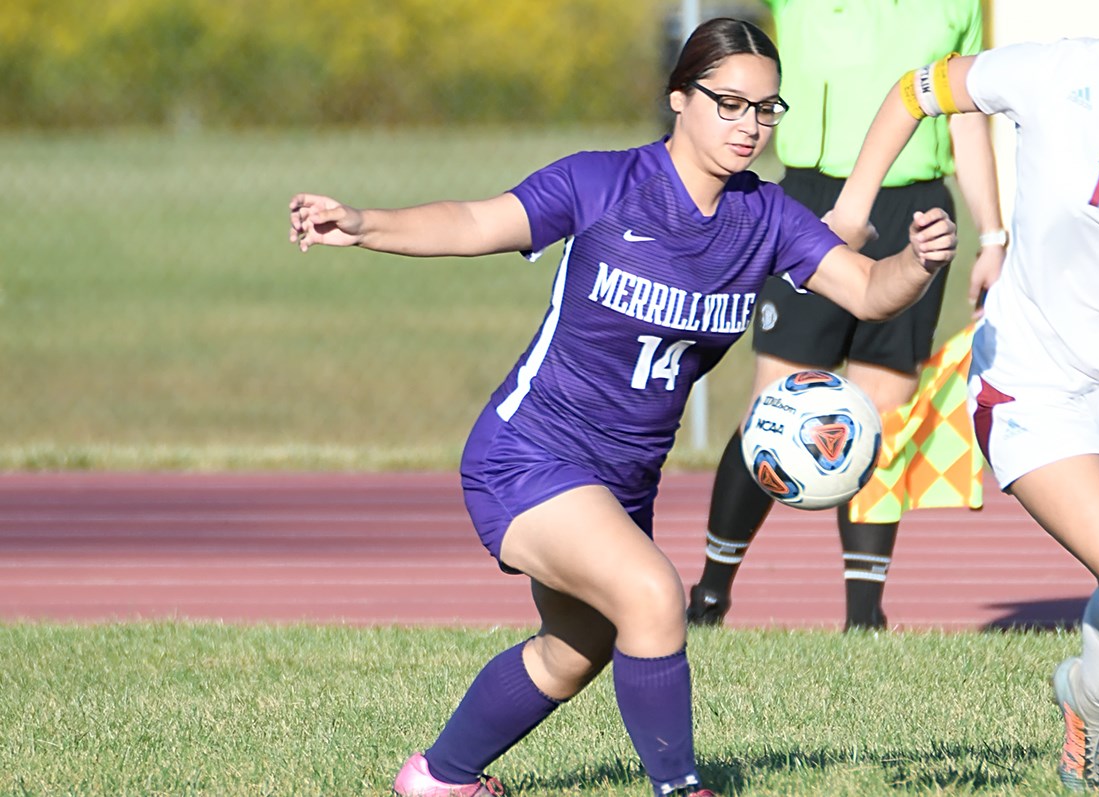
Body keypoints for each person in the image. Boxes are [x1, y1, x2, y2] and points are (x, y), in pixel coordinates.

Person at [288, 17, 956, 797]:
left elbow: (871, 292)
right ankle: (680, 787)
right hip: (528, 453)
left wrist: (916, 260)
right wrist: (364, 224)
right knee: (651, 594)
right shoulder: (602, 182)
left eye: (765, 109)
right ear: (680, 97)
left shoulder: (766, 217)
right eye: (728, 103)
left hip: (621, 481)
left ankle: (439, 778)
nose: (748, 125)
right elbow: (475, 220)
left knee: (572, 652)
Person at [830, 0, 1099, 792]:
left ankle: (1082, 701)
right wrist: (850, 208)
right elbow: (916, 89)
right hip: (1029, 380)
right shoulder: (1052, 72)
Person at [685, 0, 1005, 631]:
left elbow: (968, 124)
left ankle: (865, 617)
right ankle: (711, 593)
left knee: (882, 415)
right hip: (814, 203)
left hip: (914, 211)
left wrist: (992, 236)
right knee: (773, 407)